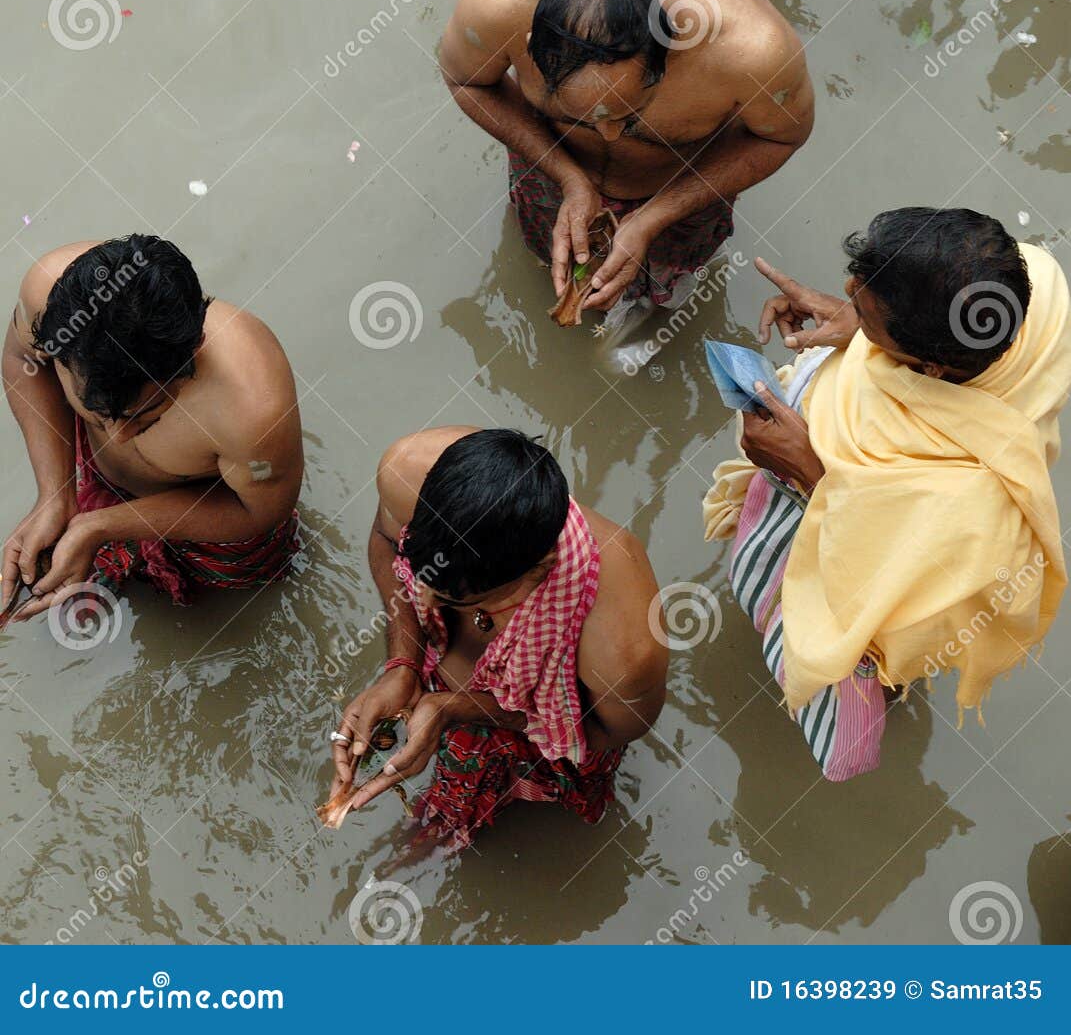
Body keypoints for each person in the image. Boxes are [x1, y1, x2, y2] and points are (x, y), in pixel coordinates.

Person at [702, 211, 1071, 777]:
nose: (846, 296)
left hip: (890, 579)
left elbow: (907, 580)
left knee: (875, 652)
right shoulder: (1036, 288)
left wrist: (810, 472)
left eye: (867, 312)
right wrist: (859, 321)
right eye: (855, 290)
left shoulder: (970, 503)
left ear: (929, 368)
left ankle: (879, 694)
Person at [439, 0, 812, 328]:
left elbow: (783, 135)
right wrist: (567, 177)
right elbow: (466, 80)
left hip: (680, 186)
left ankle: (654, 308)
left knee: (670, 287)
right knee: (544, 257)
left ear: (668, 55)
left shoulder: (750, 51)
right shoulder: (496, 3)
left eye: (630, 117)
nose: (611, 134)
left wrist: (655, 217)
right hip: (549, 165)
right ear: (529, 45)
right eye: (580, 118)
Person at [327, 426, 667, 849]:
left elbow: (609, 731)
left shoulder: (625, 646)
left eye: (455, 598)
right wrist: (403, 666)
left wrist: (458, 709)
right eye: (420, 577)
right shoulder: (407, 472)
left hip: (545, 734)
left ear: (539, 573)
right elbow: (383, 537)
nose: (422, 599)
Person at [1, 236, 304, 616]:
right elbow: (20, 359)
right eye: (99, 415)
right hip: (102, 489)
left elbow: (260, 512)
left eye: (149, 414)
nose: (118, 437)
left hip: (211, 514)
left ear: (195, 350)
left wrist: (100, 525)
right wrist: (55, 492)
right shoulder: (47, 295)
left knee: (237, 608)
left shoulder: (254, 406)